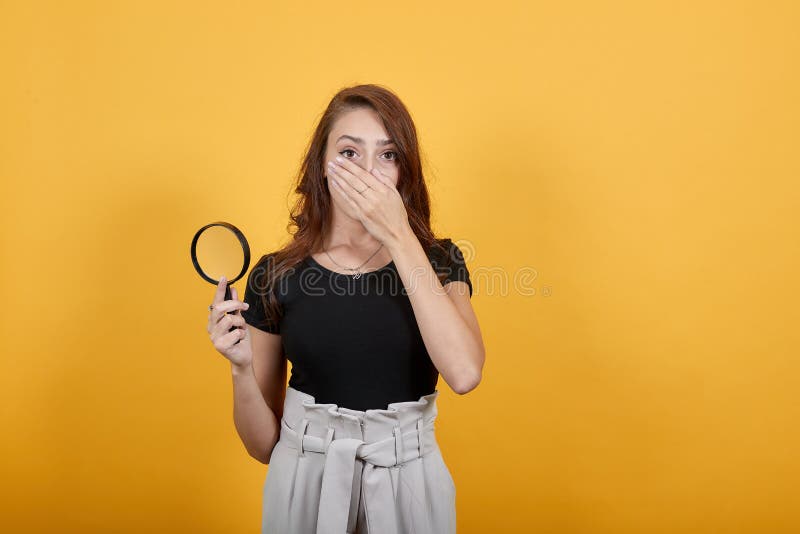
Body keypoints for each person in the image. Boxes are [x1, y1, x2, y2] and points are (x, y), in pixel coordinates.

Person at [206, 84, 485, 534]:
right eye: (350, 153)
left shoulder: (439, 260)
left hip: (410, 481)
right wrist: (239, 369)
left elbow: (465, 374)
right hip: (303, 484)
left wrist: (398, 235)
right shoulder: (276, 274)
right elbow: (262, 446)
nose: (369, 172)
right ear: (322, 165)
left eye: (388, 155)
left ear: (403, 172)